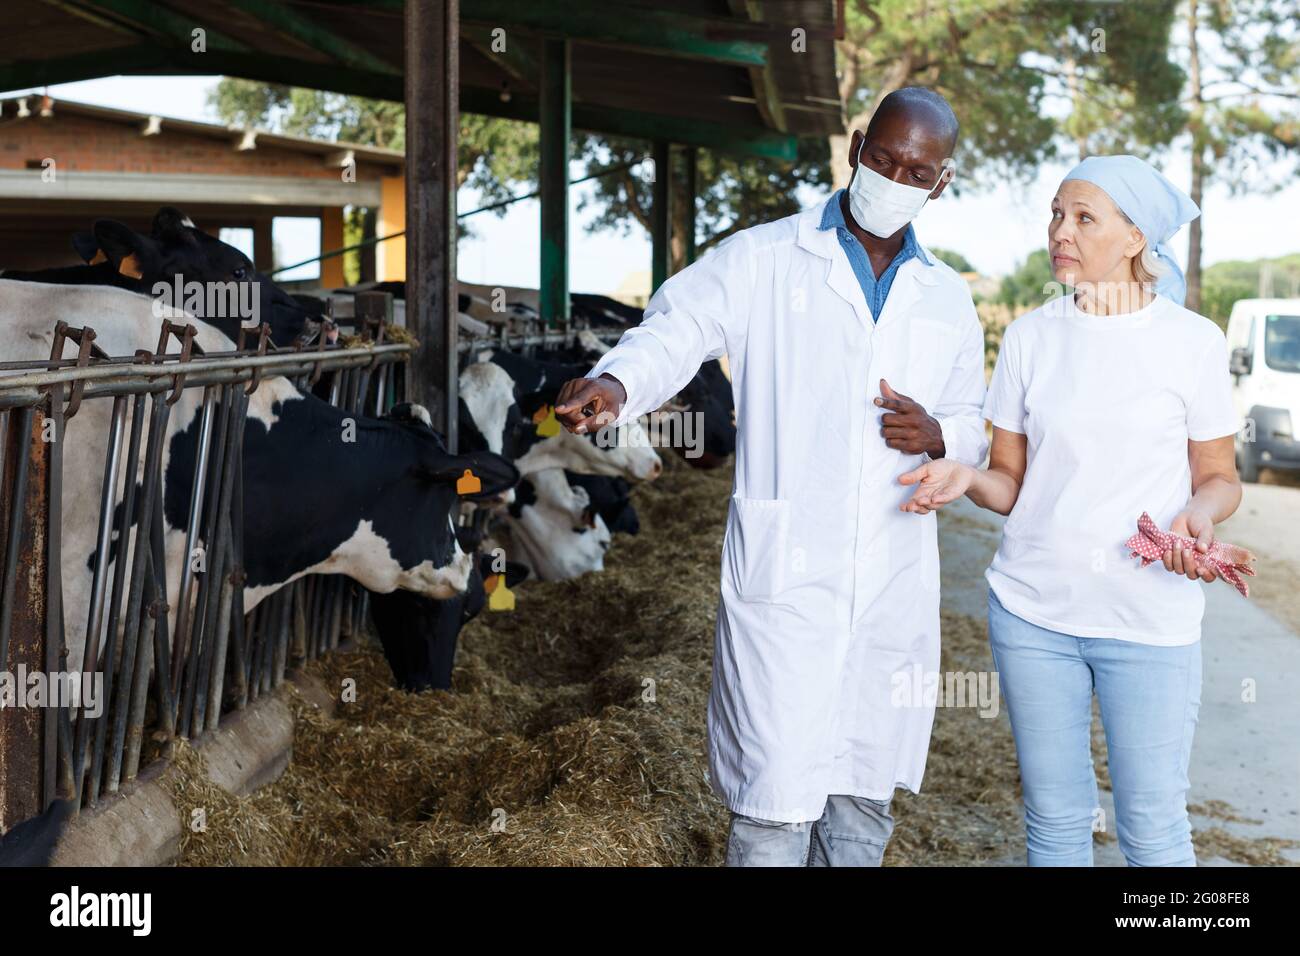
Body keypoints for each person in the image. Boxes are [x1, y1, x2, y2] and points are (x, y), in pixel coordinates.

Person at [553, 88, 989, 866]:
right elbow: (678, 327)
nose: (894, 178)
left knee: (861, 810)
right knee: (771, 811)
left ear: (941, 183)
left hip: (891, 582)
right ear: (857, 147)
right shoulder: (765, 256)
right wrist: (618, 385)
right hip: (786, 581)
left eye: (916, 171)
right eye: (883, 158)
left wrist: (942, 433)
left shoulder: (950, 299)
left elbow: (976, 424)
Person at [897, 154, 1242, 866]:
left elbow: (1219, 478)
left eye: (1085, 217)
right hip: (1032, 615)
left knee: (1152, 827)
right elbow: (1011, 486)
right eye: (1056, 213)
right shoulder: (1029, 339)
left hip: (1148, 622)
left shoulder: (1193, 344)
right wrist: (965, 475)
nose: (1061, 230)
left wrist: (1200, 515)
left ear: (1136, 237)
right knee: (1054, 822)